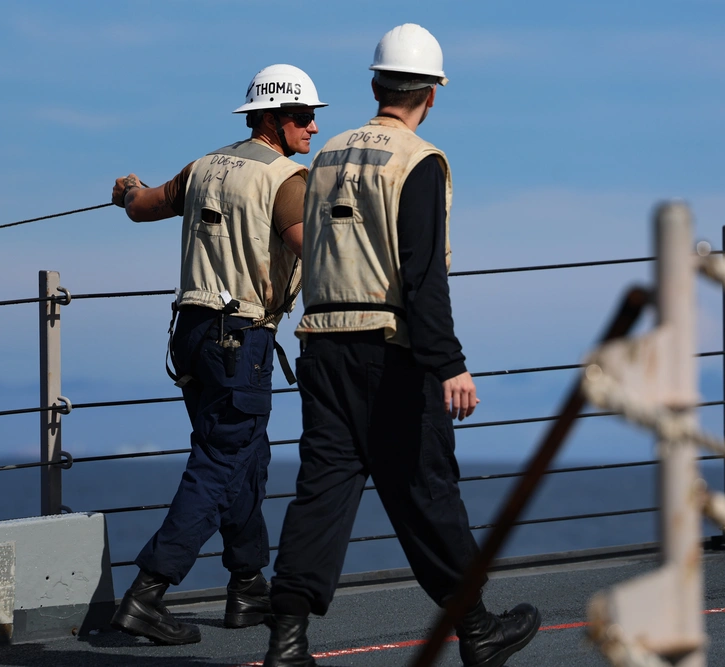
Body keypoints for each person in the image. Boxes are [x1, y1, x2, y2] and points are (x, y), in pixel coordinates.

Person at [262, 25, 540, 667]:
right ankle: (474, 628)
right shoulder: (420, 160)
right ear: (433, 94)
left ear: (374, 84)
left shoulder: (326, 153)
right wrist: (449, 363)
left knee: (323, 489)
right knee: (428, 486)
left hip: (322, 346)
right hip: (390, 349)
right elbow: (421, 274)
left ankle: (287, 637)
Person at [108, 64, 327, 646]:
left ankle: (249, 583)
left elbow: (143, 206)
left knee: (244, 457)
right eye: (302, 117)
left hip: (192, 333)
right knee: (218, 462)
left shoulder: (203, 167)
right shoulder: (287, 180)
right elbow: (315, 252)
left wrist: (126, 190)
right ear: (271, 120)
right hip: (243, 338)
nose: (312, 127)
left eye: (312, 117)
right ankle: (147, 593)